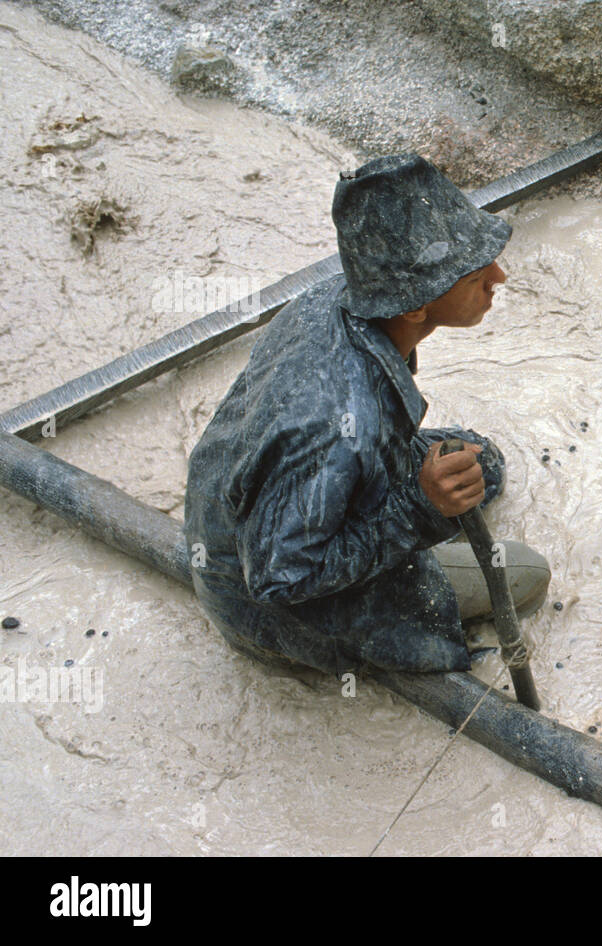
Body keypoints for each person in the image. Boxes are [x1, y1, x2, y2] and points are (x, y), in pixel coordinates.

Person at [185, 153, 522, 674]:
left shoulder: (338, 299)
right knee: (526, 578)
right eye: (476, 274)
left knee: (486, 466)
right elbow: (281, 578)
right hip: (265, 599)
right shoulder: (332, 427)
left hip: (277, 503)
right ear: (413, 305)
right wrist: (420, 507)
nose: (498, 276)